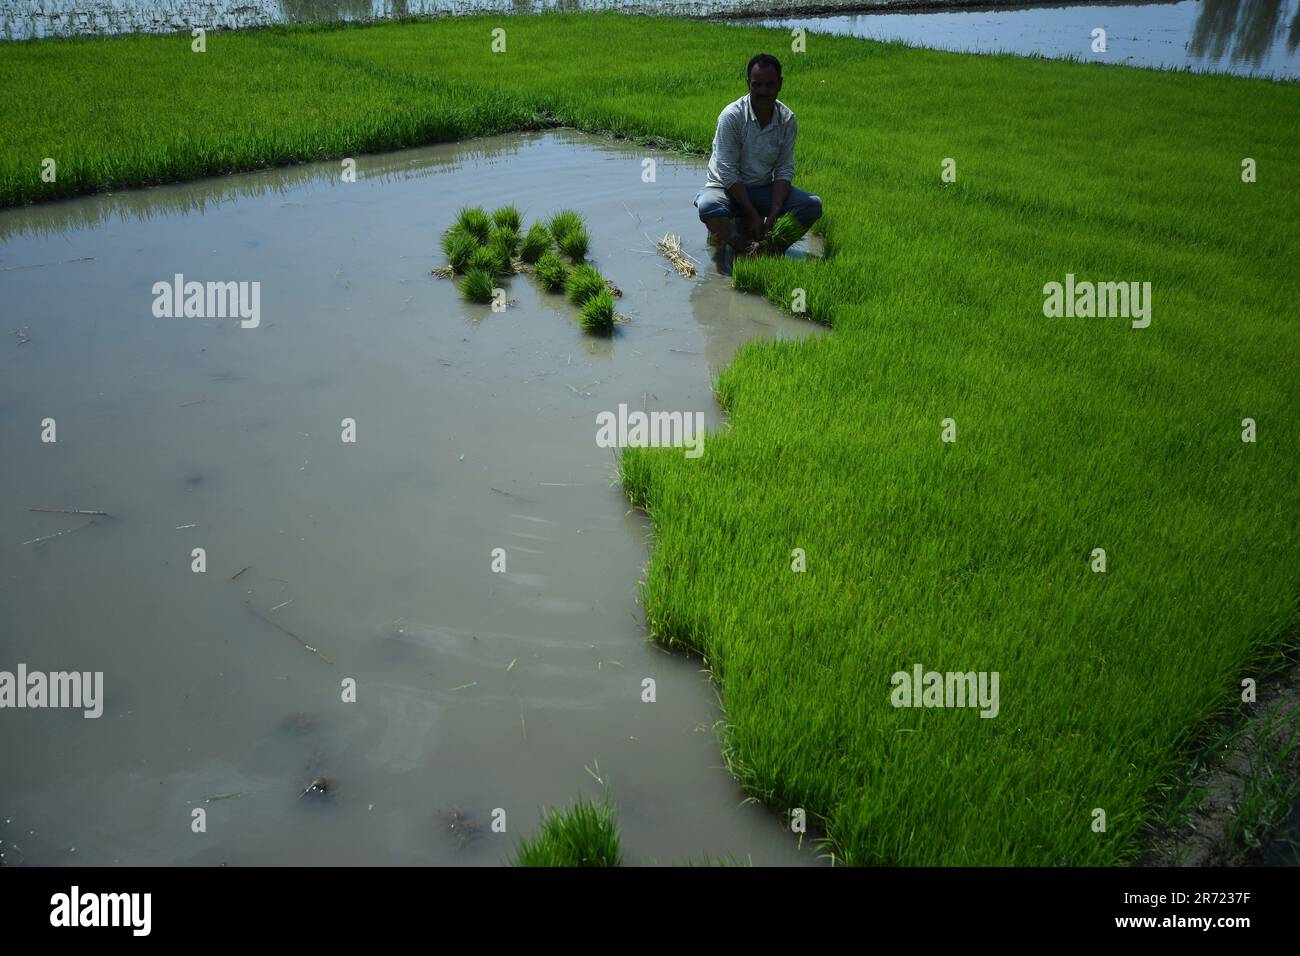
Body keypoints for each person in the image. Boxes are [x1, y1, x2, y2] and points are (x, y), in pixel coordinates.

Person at [694, 53, 823, 256]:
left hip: (762, 188)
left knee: (812, 206)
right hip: (726, 189)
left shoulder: (787, 119)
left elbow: (784, 169)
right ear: (748, 84)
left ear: (780, 84)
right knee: (708, 206)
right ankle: (744, 250)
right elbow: (727, 171)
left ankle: (770, 251)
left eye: (770, 85)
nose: (764, 91)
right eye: (757, 85)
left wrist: (773, 213)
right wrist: (752, 213)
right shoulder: (732, 116)